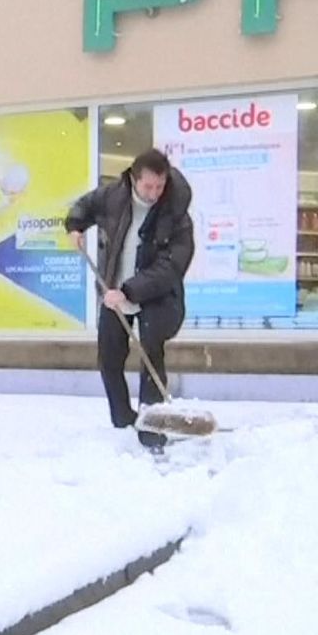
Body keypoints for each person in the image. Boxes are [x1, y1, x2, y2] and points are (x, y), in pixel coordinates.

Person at [65, 148, 195, 449]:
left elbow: (171, 267)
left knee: (151, 358)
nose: (154, 193)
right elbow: (84, 206)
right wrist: (75, 226)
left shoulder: (176, 214)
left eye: (159, 186)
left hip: (155, 297)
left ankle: (152, 429)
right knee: (109, 359)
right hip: (114, 292)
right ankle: (123, 420)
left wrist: (130, 291)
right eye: (148, 186)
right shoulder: (114, 196)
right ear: (134, 180)